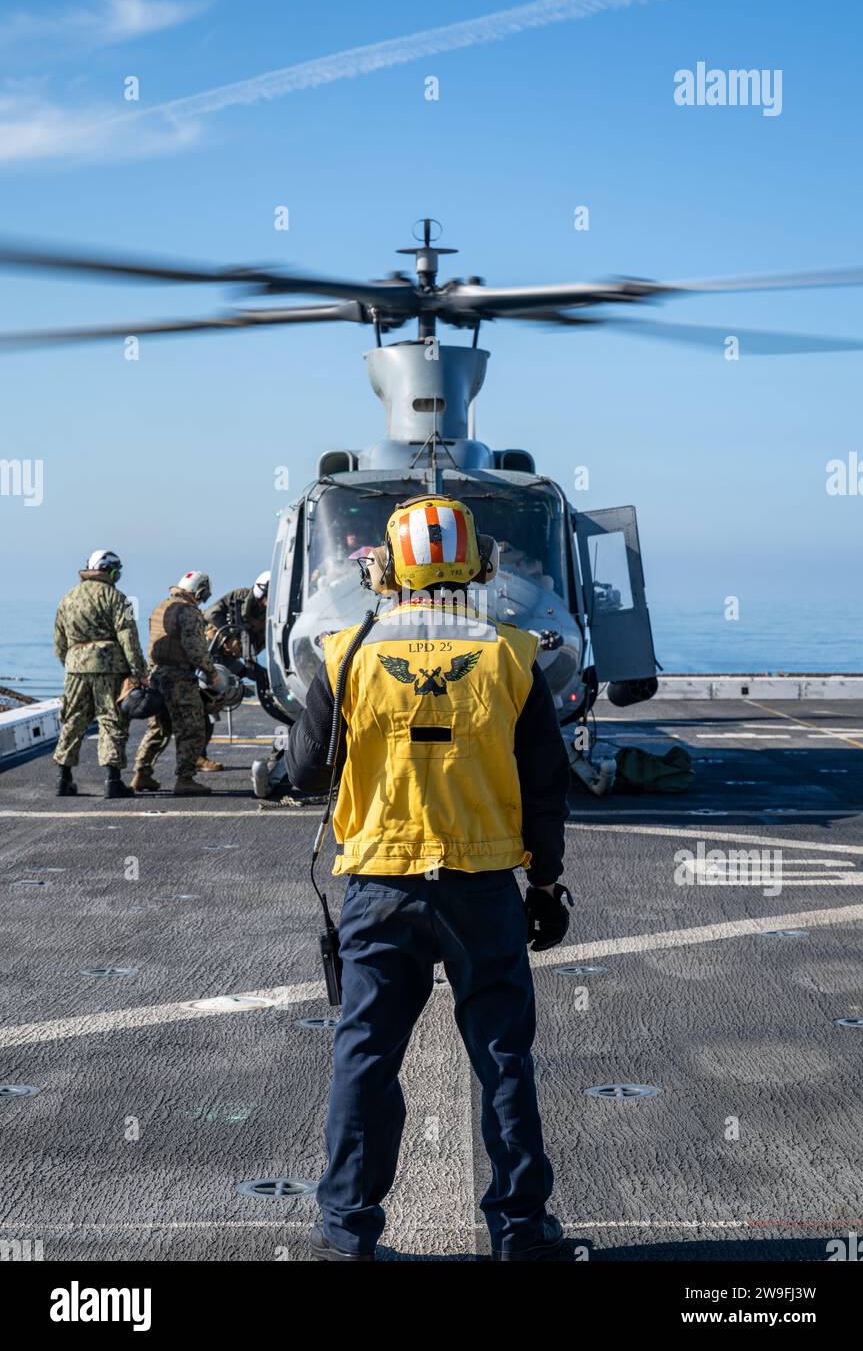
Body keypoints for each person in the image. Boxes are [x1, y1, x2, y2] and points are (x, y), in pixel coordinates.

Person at [284, 494, 572, 1262]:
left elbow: (306, 770)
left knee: (365, 1057)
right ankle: (519, 1232)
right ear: (479, 565)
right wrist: (544, 884)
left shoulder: (347, 652)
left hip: (380, 887)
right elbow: (546, 786)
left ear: (389, 565)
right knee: (503, 1059)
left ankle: (347, 1234)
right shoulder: (513, 655)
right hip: (482, 888)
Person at [52, 549, 146, 799]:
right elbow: (129, 636)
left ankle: (63, 779)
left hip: (75, 667)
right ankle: (113, 781)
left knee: (73, 719)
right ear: (110, 570)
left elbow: (59, 640)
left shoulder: (68, 597)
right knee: (110, 719)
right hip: (108, 668)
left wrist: (71, 663)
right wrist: (138, 670)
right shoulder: (118, 598)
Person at [131, 571, 218, 797]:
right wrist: (211, 671)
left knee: (159, 727)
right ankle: (185, 778)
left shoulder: (161, 607)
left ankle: (141, 773)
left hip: (157, 674)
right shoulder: (189, 612)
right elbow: (196, 648)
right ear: (199, 591)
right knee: (191, 728)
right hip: (179, 679)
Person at [197, 572, 270, 772]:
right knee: (206, 705)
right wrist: (229, 634)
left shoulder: (270, 611)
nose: (268, 601)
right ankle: (198, 756)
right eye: (266, 596)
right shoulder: (238, 597)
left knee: (259, 676)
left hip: (228, 660)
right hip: (208, 652)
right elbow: (211, 614)